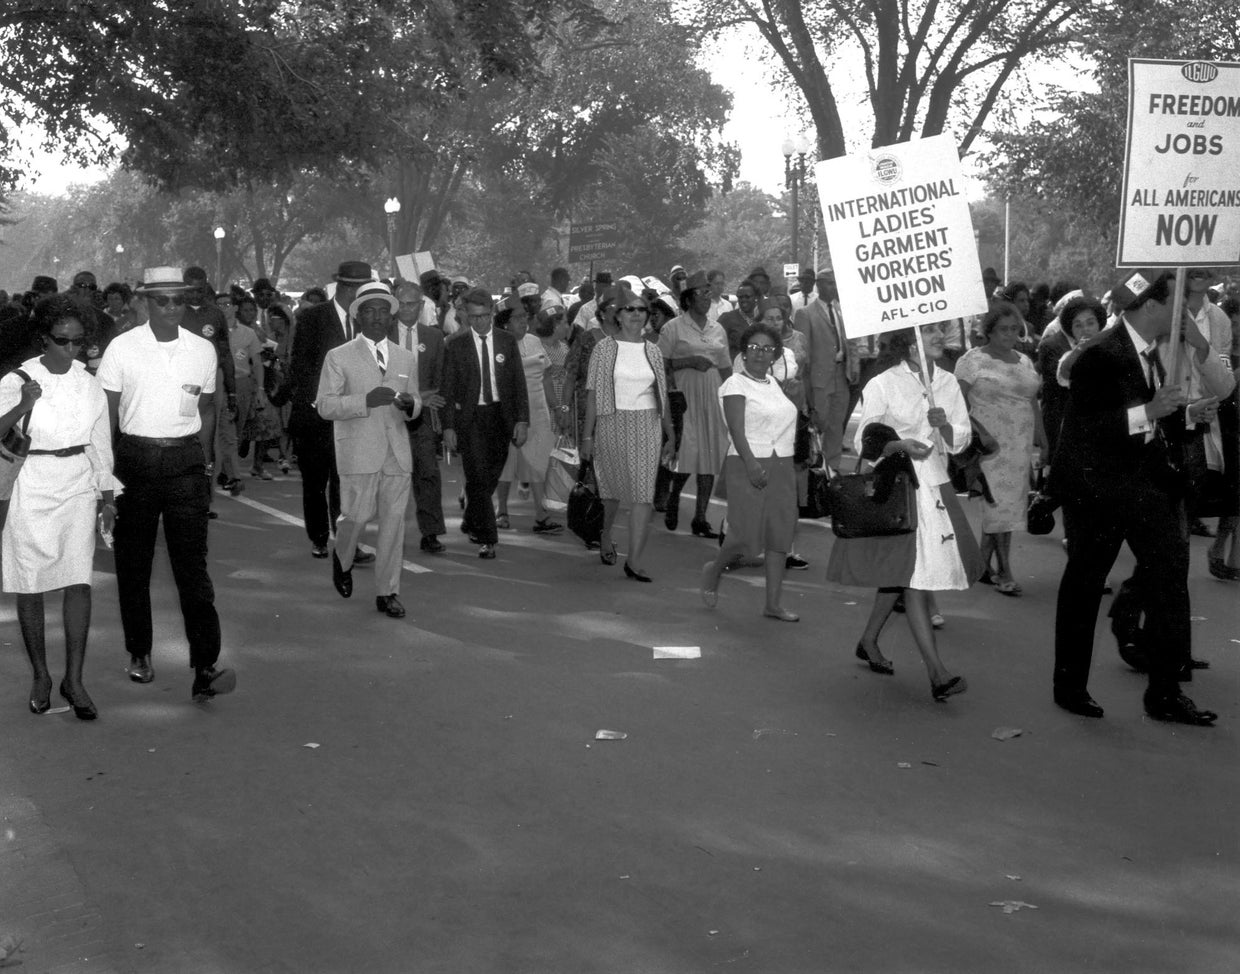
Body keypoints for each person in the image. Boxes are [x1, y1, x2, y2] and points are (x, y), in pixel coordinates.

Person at [1050, 269, 1218, 725]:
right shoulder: (1098, 355)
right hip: (1096, 491)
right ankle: (1069, 685)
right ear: (1150, 306)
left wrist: (1183, 414)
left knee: (1168, 580)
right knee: (1084, 585)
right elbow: (1086, 432)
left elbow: (1147, 418)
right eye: (1174, 304)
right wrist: (1150, 410)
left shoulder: (1145, 352)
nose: (1178, 314)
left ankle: (1164, 692)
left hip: (1143, 488)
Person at [96, 267, 236, 702]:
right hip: (135, 459)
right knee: (134, 566)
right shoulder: (122, 348)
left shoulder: (202, 349)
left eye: (178, 299)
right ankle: (139, 651)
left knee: (192, 568)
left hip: (185, 461)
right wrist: (108, 476)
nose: (172, 308)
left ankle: (205, 665)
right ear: (145, 302)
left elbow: (208, 407)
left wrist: (207, 459)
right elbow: (107, 416)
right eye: (162, 300)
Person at [826, 324, 980, 701]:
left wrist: (946, 428)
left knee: (905, 572)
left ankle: (868, 640)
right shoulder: (882, 383)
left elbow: (962, 440)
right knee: (915, 576)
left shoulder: (947, 381)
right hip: (899, 487)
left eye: (941, 330)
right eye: (929, 333)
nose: (939, 337)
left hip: (936, 487)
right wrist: (898, 443)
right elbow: (862, 437)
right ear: (910, 344)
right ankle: (937, 672)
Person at [0, 295, 115, 719]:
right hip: (31, 485)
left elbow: (100, 443)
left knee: (78, 581)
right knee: (30, 582)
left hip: (78, 485)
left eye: (80, 342)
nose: (73, 350)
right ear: (44, 339)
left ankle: (75, 680)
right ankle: (41, 675)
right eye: (63, 341)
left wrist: (107, 497)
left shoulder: (89, 384)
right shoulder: (18, 378)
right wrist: (24, 404)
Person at [317, 282, 421, 618]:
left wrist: (411, 405)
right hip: (358, 449)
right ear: (358, 315)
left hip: (397, 451)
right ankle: (343, 556)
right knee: (357, 517)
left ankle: (387, 592)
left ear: (391, 316)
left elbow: (416, 399)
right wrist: (364, 401)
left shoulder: (405, 356)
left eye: (383, 310)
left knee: (393, 525)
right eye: (369, 310)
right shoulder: (339, 356)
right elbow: (325, 406)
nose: (377, 316)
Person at [700, 323, 800, 618]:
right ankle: (714, 569)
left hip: (782, 464)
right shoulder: (735, 384)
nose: (759, 354)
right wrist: (752, 464)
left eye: (767, 349)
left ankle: (773, 604)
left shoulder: (775, 385)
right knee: (743, 536)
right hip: (747, 463)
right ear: (743, 353)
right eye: (753, 348)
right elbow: (736, 430)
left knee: (779, 534)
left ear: (775, 355)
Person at [580, 289, 675, 579]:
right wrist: (587, 436)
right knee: (611, 492)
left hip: (647, 424)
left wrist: (670, 432)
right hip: (612, 421)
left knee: (643, 495)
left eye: (641, 309)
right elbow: (593, 395)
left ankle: (633, 560)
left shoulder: (654, 350)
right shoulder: (605, 348)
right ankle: (605, 535)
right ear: (618, 315)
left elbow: (662, 395)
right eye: (629, 309)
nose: (636, 314)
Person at [954, 303, 1046, 595]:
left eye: (1014, 328)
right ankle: (1005, 571)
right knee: (999, 506)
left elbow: (1032, 403)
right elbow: (957, 402)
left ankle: (982, 564)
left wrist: (1043, 442)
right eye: (1002, 329)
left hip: (1019, 446)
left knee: (1004, 506)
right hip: (989, 445)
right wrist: (964, 438)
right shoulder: (972, 361)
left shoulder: (1024, 361)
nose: (1009, 334)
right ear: (989, 331)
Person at [287, 261, 377, 560]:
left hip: (354, 415)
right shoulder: (313, 318)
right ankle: (319, 537)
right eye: (360, 289)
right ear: (345, 288)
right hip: (317, 414)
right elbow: (301, 366)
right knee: (316, 481)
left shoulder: (367, 321)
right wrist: (318, 403)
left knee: (347, 481)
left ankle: (346, 540)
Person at [441, 288, 530, 559]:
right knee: (478, 475)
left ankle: (472, 514)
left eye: (484, 316)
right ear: (466, 315)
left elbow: (518, 382)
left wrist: (522, 420)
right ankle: (489, 538)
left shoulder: (506, 341)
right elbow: (448, 389)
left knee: (491, 473)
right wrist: (448, 427)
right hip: (471, 418)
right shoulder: (455, 345)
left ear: (492, 313)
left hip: (500, 415)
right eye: (474, 316)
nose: (480, 322)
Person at [657, 271, 731, 536]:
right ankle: (675, 495)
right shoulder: (673, 327)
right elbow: (660, 364)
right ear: (688, 299)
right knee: (687, 452)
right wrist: (688, 362)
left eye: (709, 293)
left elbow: (725, 368)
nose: (707, 299)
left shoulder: (717, 328)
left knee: (710, 455)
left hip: (711, 398)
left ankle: (700, 518)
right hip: (683, 398)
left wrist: (733, 399)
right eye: (701, 294)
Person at [494, 294, 563, 535]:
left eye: (526, 317)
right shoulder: (496, 343)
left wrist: (557, 407)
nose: (525, 322)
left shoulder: (534, 341)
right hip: (509, 411)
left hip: (539, 410)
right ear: (505, 322)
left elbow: (545, 377)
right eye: (518, 318)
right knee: (506, 462)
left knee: (539, 462)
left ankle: (541, 515)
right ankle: (501, 511)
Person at [392, 280, 448, 554]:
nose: (405, 309)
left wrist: (422, 398)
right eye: (401, 303)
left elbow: (441, 380)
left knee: (427, 472)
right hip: (389, 414)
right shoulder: (382, 334)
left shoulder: (434, 337)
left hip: (422, 417)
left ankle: (431, 533)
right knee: (391, 476)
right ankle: (390, 531)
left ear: (421, 305)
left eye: (411, 304)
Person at [794, 268, 855, 472]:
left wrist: (852, 367)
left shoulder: (841, 310)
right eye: (830, 283)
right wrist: (807, 385)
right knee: (817, 424)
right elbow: (804, 354)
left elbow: (848, 343)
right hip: (818, 378)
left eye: (836, 283)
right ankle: (815, 469)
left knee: (836, 426)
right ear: (819, 285)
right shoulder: (806, 313)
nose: (835, 287)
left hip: (840, 375)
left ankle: (833, 469)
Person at [1037, 296, 1106, 468]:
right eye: (1078, 325)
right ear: (1071, 329)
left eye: (1090, 323)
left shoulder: (1112, 352)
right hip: (1069, 429)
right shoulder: (1064, 355)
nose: (1085, 330)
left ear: (1099, 324)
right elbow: (1063, 377)